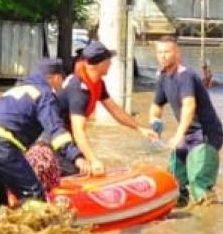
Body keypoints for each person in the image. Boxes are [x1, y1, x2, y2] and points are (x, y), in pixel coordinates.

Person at [0, 58, 69, 213]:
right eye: (62, 79)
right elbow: (56, 130)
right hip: (1, 147)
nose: (61, 85)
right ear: (55, 77)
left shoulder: (17, 89)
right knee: (34, 196)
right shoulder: (45, 93)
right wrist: (77, 157)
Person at [49, 41, 157, 176]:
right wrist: (93, 160)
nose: (111, 64)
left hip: (69, 138)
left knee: (86, 167)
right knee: (79, 172)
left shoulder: (98, 83)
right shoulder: (79, 90)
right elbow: (78, 131)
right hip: (55, 137)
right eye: (108, 61)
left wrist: (140, 128)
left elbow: (116, 111)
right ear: (98, 64)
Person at [150, 34, 223, 207]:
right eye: (159, 52)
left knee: (198, 183)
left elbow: (189, 106)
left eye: (167, 52)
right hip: (187, 134)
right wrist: (154, 123)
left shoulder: (186, 76)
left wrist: (178, 135)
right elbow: (156, 105)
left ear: (177, 53)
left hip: (205, 134)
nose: (163, 56)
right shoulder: (163, 77)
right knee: (173, 183)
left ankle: (207, 225)